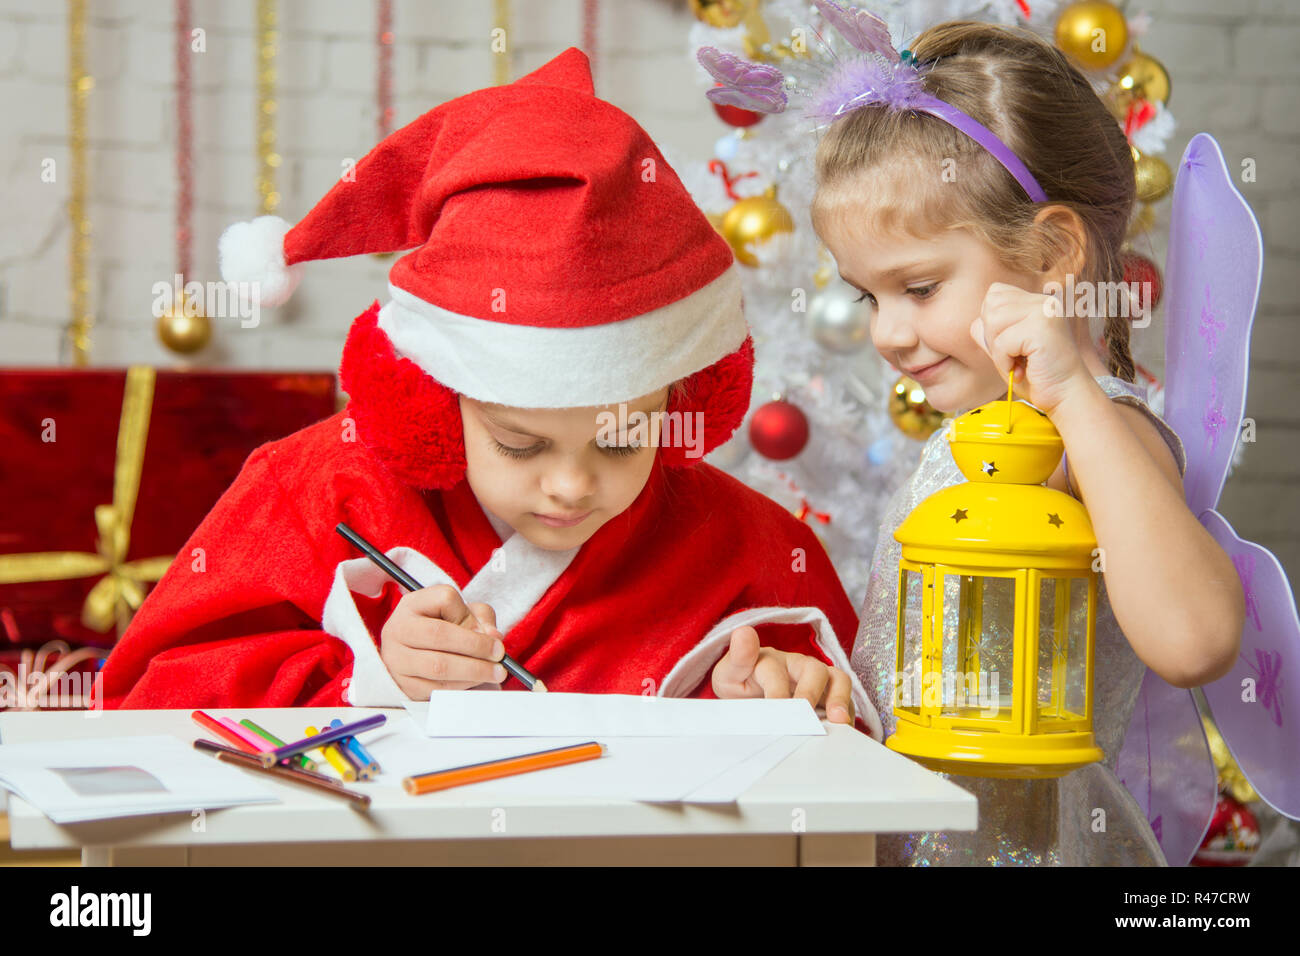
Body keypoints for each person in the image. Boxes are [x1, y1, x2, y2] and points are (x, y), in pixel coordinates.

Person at [100, 48, 879, 737]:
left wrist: (778, 699)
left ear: (681, 405)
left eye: (620, 438)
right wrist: (370, 681)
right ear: (433, 404)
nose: (573, 484)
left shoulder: (743, 544)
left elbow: (842, 751)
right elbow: (149, 703)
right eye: (520, 442)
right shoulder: (307, 493)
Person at [803, 19, 1245, 863]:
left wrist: (1074, 393)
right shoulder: (978, 435)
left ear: (1051, 255)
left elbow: (1195, 640)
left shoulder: (1099, 430)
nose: (889, 333)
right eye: (868, 297)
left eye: (920, 286)